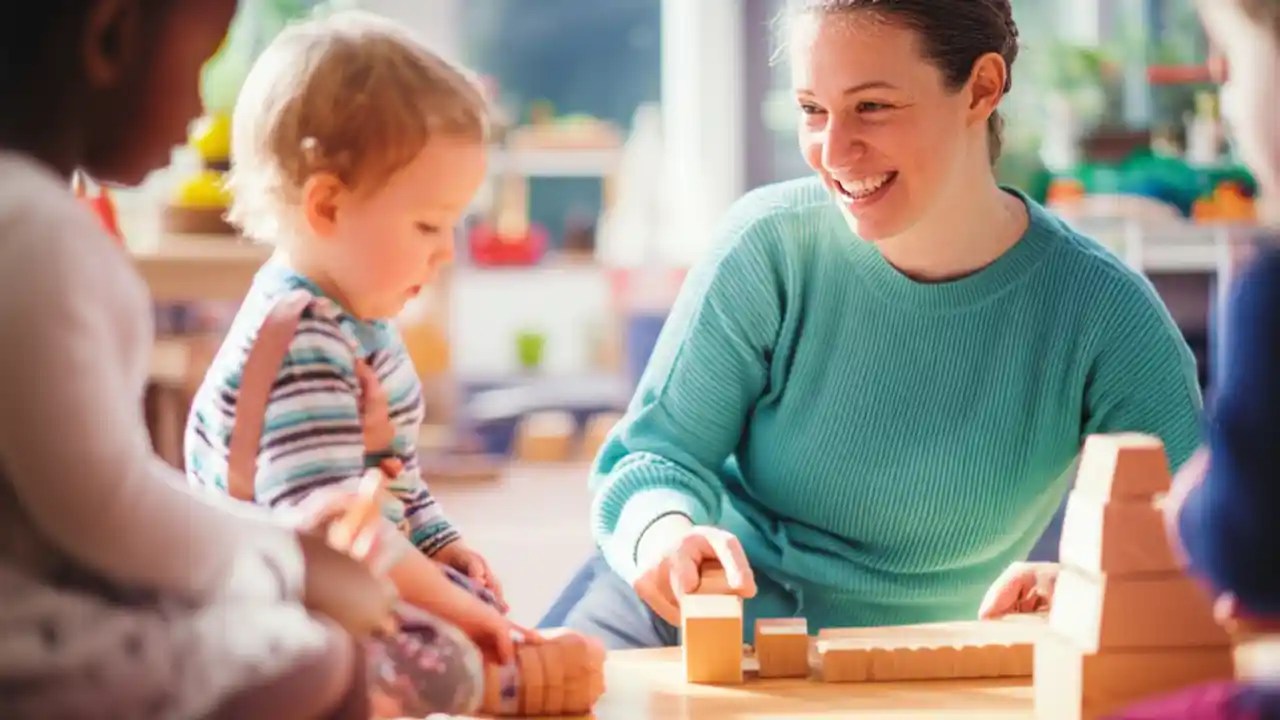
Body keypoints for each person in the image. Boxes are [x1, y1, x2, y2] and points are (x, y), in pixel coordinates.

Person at [559, 0, 1204, 649]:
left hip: (914, 676)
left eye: (872, 107)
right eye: (813, 109)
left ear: (981, 88)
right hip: (682, 635)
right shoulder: (770, 248)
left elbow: (1202, 542)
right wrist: (666, 537)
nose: (834, 151)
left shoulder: (1102, 314)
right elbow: (654, 458)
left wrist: (1088, 586)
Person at [0, 2, 397, 719]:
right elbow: (106, 509)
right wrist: (293, 565)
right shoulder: (34, 234)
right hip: (26, 641)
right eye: (200, 64)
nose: (198, 107)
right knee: (319, 662)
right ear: (110, 37)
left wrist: (266, 540)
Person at [183, 9, 534, 710]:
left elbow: (392, 478)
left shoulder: (356, 316)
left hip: (343, 574)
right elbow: (338, 536)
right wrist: (456, 613)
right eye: (428, 225)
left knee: (466, 606)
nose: (447, 251)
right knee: (455, 662)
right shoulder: (301, 339)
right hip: (277, 598)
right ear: (327, 206)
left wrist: (442, 547)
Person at [1113, 0, 1280, 717]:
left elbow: (1248, 553)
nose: (1228, 97)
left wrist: (1190, 509)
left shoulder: (1266, 292)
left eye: (1235, 65)